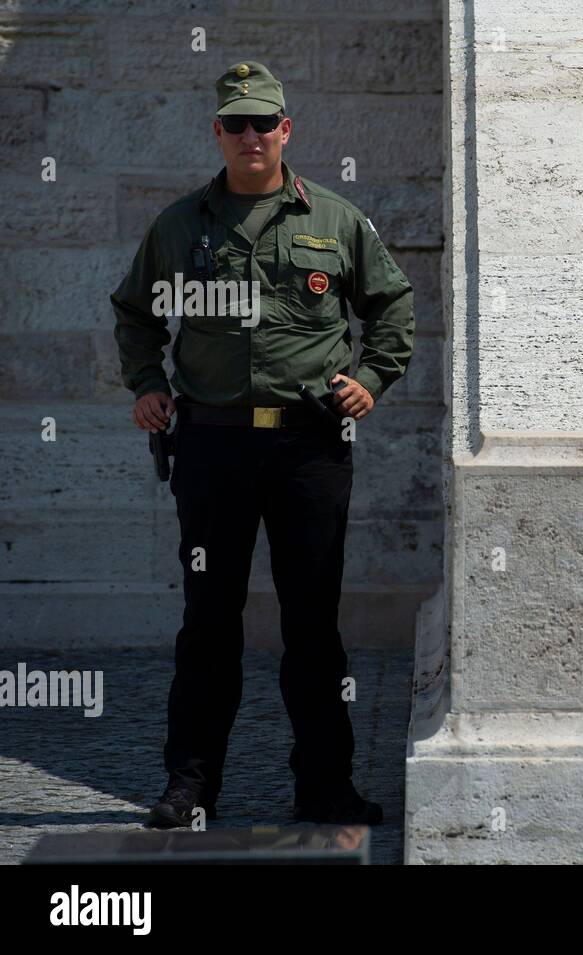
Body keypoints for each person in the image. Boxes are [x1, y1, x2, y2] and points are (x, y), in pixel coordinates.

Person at [110, 60, 415, 829]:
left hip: (309, 450)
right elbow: (136, 311)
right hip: (212, 450)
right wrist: (146, 382)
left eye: (263, 123)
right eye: (235, 124)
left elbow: (392, 307)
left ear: (286, 130)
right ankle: (190, 787)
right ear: (217, 132)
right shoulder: (180, 226)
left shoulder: (336, 220)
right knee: (208, 618)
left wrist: (371, 380)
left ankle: (325, 786)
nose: (250, 136)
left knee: (312, 623)